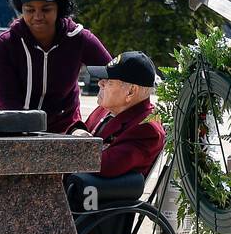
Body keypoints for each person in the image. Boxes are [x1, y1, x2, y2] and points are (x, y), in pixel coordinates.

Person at [0, 0, 111, 133]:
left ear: (59, 8)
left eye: (46, 9)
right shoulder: (4, 45)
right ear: (21, 8)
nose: (37, 16)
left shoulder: (79, 38)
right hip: (12, 129)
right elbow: (7, 101)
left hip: (64, 129)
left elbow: (112, 74)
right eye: (29, 10)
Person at [65, 51, 166, 219]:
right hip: (76, 196)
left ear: (131, 92)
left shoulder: (147, 128)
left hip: (94, 210)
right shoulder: (107, 108)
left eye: (109, 81)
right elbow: (81, 130)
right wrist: (76, 131)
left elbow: (106, 165)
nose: (100, 83)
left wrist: (75, 145)